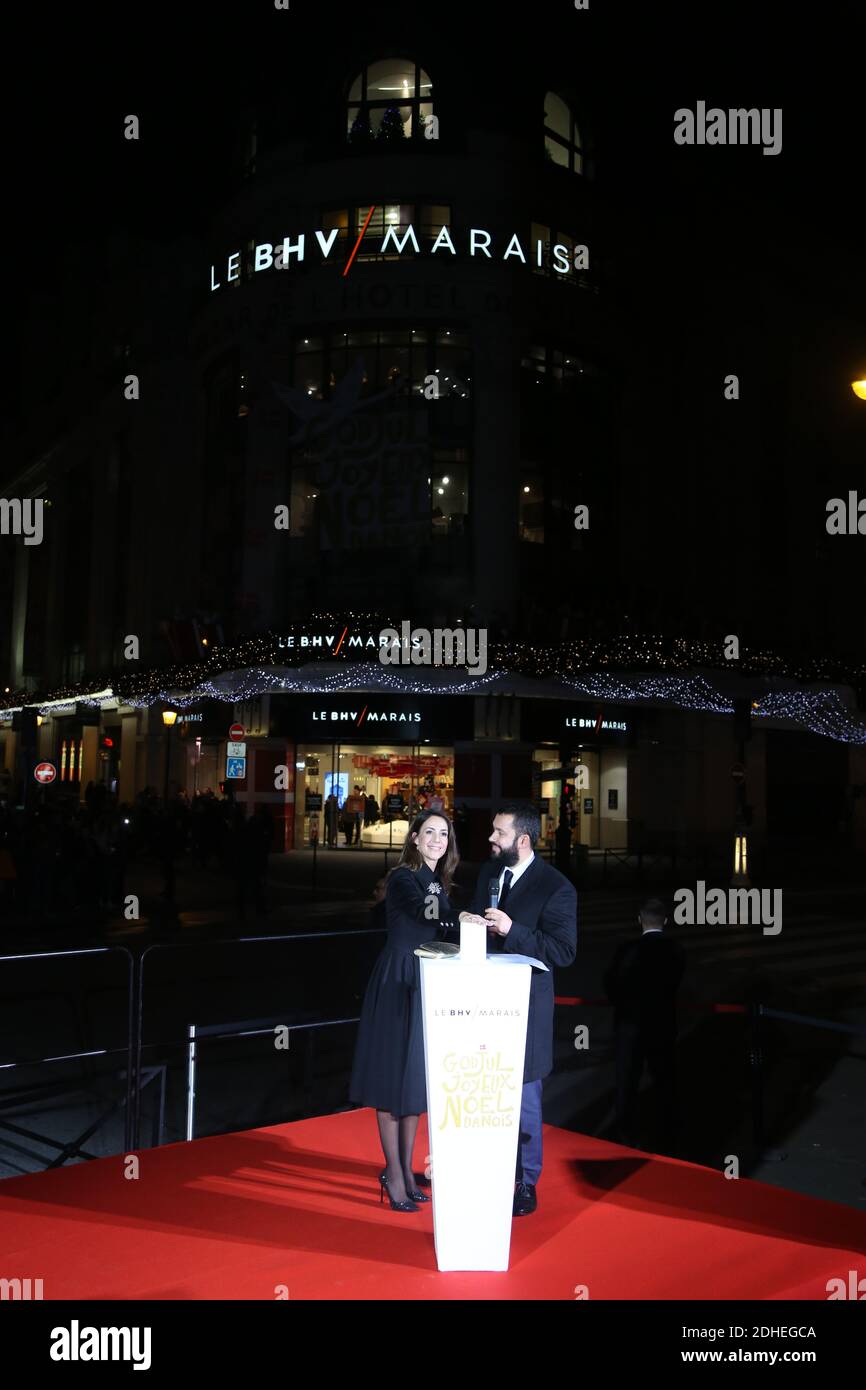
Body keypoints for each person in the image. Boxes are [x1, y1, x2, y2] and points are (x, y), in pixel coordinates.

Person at [350, 810, 487, 1211]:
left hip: (425, 977)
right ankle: (393, 1172)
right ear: (414, 838)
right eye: (429, 832)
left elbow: (438, 920)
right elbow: (421, 913)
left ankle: (407, 1171)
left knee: (413, 1078)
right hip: (398, 978)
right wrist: (458, 915)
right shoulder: (403, 879)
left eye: (444, 833)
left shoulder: (435, 881)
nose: (437, 839)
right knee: (391, 1076)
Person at [471, 802, 577, 1217]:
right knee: (481, 1089)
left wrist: (512, 930)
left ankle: (525, 1181)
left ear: (523, 840)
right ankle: (481, 1167)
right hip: (482, 1001)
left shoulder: (557, 887)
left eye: (499, 833)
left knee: (524, 1096)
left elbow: (563, 952)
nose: (491, 839)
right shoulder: (489, 873)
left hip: (526, 1010)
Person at [603, 898, 686, 1153]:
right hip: (661, 1024)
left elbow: (610, 984)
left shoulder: (627, 949)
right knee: (664, 1080)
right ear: (666, 921)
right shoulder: (675, 950)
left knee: (626, 1081)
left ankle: (626, 1134)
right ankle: (665, 1134)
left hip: (629, 1024)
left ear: (640, 920)